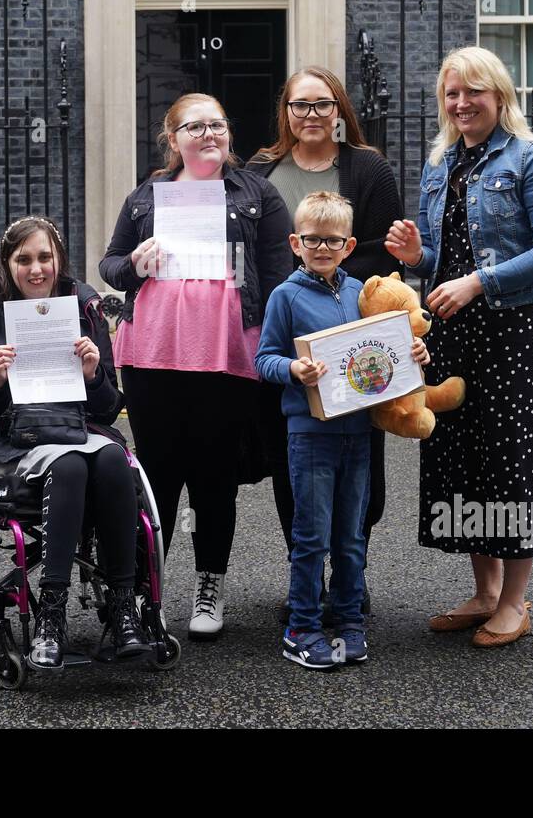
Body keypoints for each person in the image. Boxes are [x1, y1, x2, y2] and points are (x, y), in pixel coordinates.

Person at [386, 45, 533, 648]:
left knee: (512, 458)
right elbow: (443, 259)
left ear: (500, 96)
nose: (462, 103)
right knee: (463, 455)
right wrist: (417, 257)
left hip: (511, 332)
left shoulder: (531, 160)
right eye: (452, 93)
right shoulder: (441, 165)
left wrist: (479, 282)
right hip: (453, 329)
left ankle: (516, 602)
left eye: (474, 92)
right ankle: (485, 591)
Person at [99, 92, 291, 640]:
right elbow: (111, 264)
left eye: (217, 124)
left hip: (227, 354)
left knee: (215, 476)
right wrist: (134, 262)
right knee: (157, 476)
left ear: (228, 133)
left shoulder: (259, 194)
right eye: (195, 127)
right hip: (152, 352)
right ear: (173, 137)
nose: (208, 134)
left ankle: (210, 586)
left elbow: (278, 277)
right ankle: (144, 591)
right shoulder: (146, 196)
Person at [0, 217, 147, 668]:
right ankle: (51, 616)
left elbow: (109, 408)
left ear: (59, 261)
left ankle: (126, 608)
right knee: (70, 465)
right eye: (24, 259)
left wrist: (93, 376)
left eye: (45, 258)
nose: (37, 270)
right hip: (10, 444)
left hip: (76, 429)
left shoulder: (82, 311)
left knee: (114, 459)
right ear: (7, 265)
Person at [246, 66, 404, 617]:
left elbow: (384, 256)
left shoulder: (369, 169)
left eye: (322, 105)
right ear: (285, 112)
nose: (311, 116)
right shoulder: (261, 171)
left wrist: (321, 269)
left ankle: (348, 577)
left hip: (353, 342)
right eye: (299, 105)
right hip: (287, 337)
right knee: (295, 466)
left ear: (339, 111)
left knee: (362, 471)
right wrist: (293, 286)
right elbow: (249, 250)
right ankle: (306, 575)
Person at [255, 192, 430, 668]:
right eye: (312, 239)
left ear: (349, 245)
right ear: (296, 242)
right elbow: (263, 360)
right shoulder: (284, 296)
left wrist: (415, 355)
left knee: (351, 533)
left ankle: (349, 621)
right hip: (309, 435)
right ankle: (302, 626)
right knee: (311, 534)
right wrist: (293, 370)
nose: (322, 248)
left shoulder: (363, 295)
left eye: (333, 240)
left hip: (358, 432)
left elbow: (387, 353)